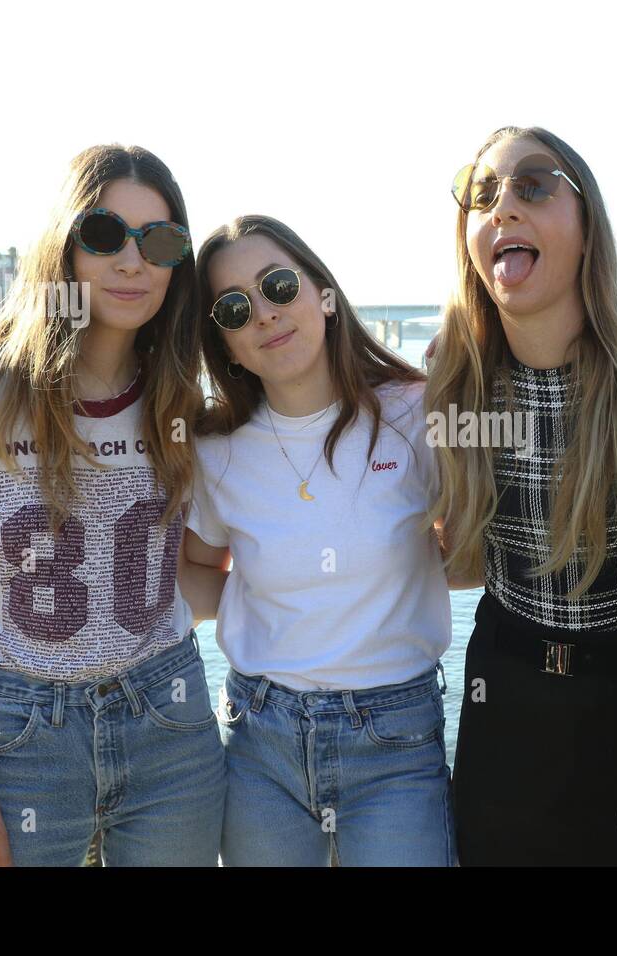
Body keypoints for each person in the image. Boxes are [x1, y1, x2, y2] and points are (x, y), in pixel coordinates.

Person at [0, 144, 225, 866]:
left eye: (159, 241)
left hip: (170, 716)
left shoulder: (181, 399)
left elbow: (190, 574)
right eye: (105, 234)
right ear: (65, 245)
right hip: (27, 729)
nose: (131, 261)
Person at [428, 126, 617, 864]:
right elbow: (465, 564)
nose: (504, 207)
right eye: (483, 194)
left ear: (588, 223)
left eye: (534, 185)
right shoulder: (454, 375)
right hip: (506, 702)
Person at [180, 215, 455, 866]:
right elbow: (195, 577)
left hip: (396, 736)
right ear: (227, 346)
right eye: (235, 308)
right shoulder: (216, 449)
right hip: (260, 737)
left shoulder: (415, 412)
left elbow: (466, 556)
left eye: (279, 285)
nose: (265, 314)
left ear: (323, 295)